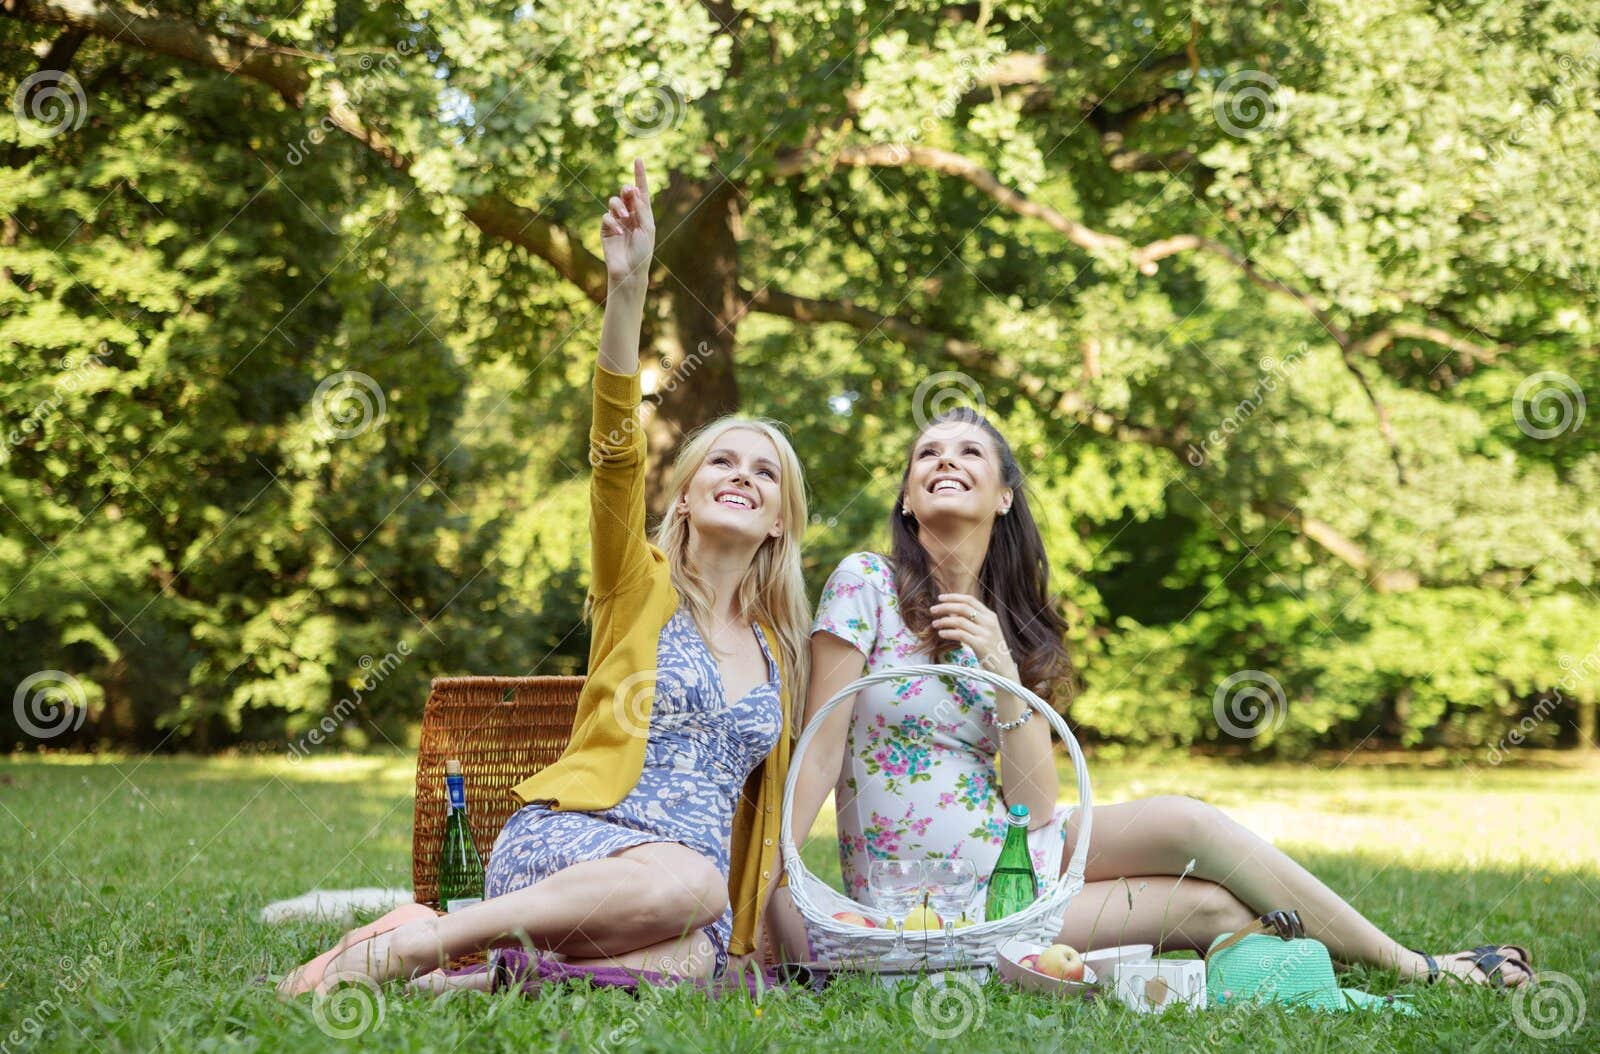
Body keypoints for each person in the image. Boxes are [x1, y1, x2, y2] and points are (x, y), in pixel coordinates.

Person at [772, 404, 1533, 989]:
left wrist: (999, 659)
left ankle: (1408, 963)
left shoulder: (1011, 621)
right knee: (1212, 909)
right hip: (939, 901)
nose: (945, 459)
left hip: (1016, 853)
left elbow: (1033, 808)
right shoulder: (864, 582)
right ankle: (1421, 968)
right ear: (907, 497)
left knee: (1187, 821)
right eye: (926, 453)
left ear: (1004, 496)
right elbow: (819, 748)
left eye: (970, 450)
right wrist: (776, 889)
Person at [278, 158, 809, 994]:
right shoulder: (639, 579)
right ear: (689, 491)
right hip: (580, 844)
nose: (743, 475)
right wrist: (626, 288)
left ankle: (456, 974)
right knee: (693, 890)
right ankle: (428, 941)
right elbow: (613, 454)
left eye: (765, 472)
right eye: (723, 461)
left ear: (780, 517)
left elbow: (770, 818)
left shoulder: (781, 651)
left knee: (694, 960)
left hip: (676, 908)